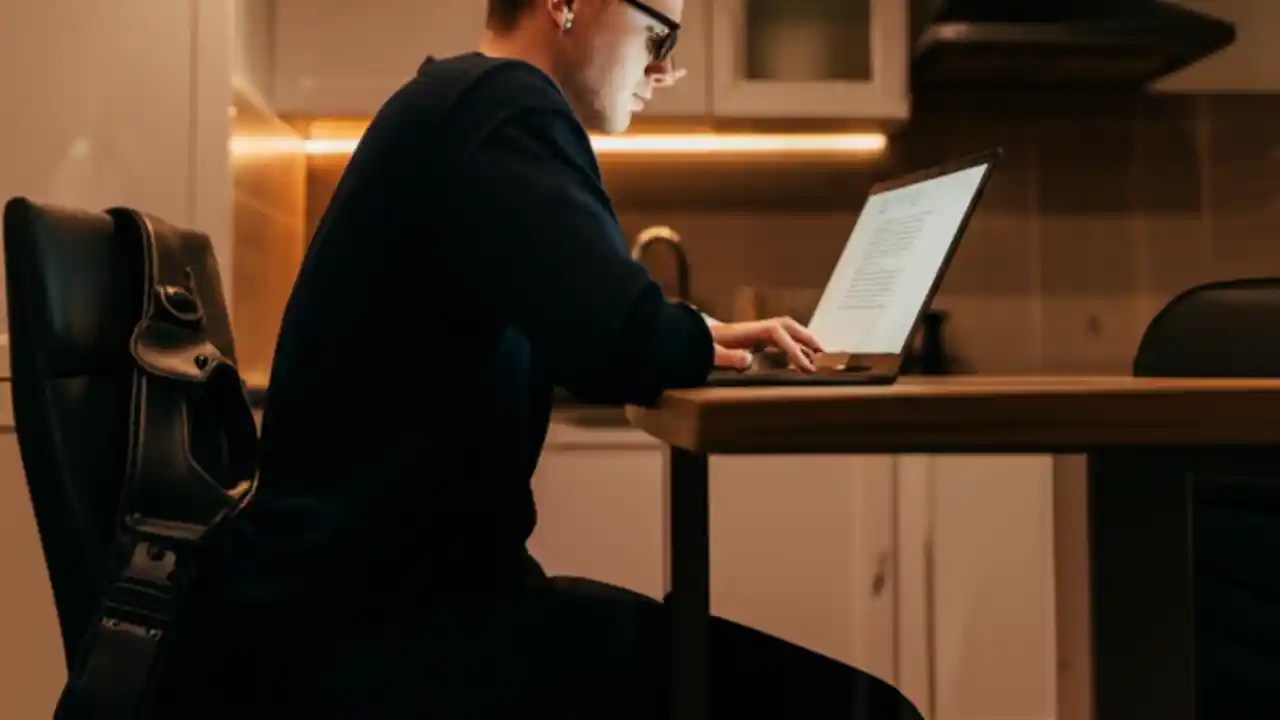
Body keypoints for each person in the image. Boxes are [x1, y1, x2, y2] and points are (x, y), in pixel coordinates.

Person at [156, 1, 924, 718]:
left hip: (345, 611)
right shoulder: (506, 103)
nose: (665, 69)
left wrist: (686, 332)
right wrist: (676, 336)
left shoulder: (457, 105)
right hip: (386, 635)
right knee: (871, 711)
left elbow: (587, 322)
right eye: (659, 34)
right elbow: (615, 338)